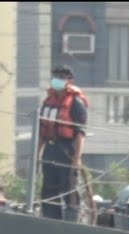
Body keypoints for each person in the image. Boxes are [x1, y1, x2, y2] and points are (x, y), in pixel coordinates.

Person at [38, 65, 88, 222]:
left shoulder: (76, 103)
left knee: (69, 188)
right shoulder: (48, 102)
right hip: (50, 149)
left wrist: (76, 159)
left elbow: (80, 133)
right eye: (55, 76)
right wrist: (37, 154)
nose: (57, 79)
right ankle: (50, 220)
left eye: (61, 77)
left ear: (69, 81)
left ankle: (72, 222)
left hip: (67, 150)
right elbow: (42, 132)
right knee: (48, 189)